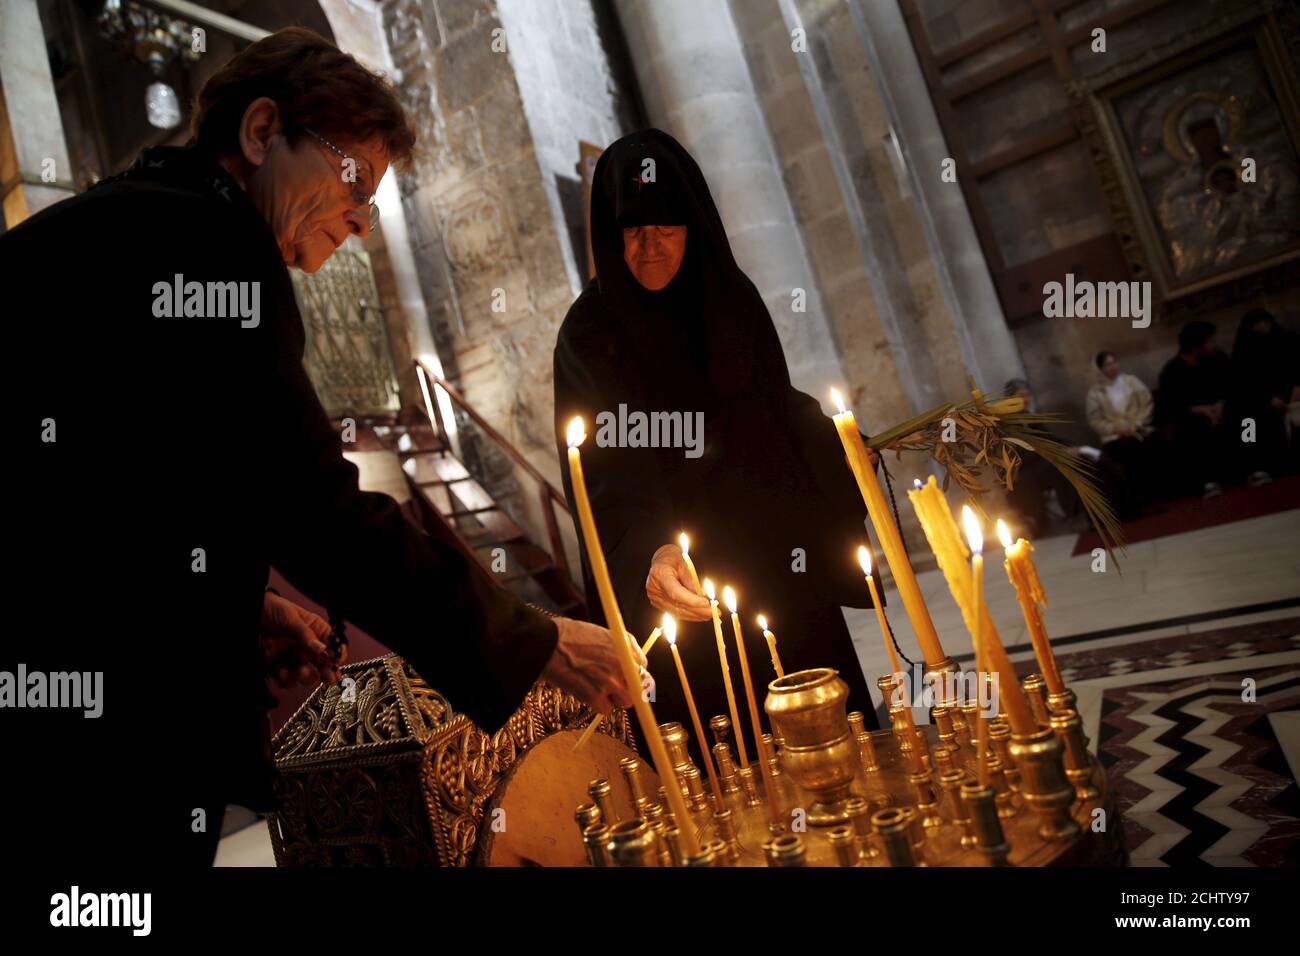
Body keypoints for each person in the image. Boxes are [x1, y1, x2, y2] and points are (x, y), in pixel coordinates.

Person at [1, 28, 636, 868]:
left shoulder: (128, 226)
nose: (363, 225)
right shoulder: (213, 252)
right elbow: (316, 509)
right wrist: (532, 638)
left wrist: (239, 601)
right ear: (263, 132)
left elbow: (127, 486)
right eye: (355, 183)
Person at [553, 128, 885, 767]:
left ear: (694, 223)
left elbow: (775, 405)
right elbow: (600, 473)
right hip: (687, 591)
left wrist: (839, 443)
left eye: (666, 226)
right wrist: (651, 548)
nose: (650, 247)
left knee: (828, 744)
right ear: (608, 233)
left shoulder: (732, 300)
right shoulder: (588, 334)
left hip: (781, 569)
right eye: (631, 230)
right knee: (730, 767)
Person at [1157, 320, 1235, 496]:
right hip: (1191, 417)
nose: (1213, 345)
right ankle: (1208, 479)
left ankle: (1254, 466)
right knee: (1195, 427)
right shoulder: (1172, 371)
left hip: (1223, 408)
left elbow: (1233, 386)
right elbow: (1169, 406)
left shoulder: (1218, 359)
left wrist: (1220, 405)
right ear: (1196, 346)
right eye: (1209, 342)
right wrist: (1200, 410)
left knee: (1248, 420)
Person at [1228, 308, 1300, 484]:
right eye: (1258, 323)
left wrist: (1297, 388)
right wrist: (1268, 398)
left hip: (1292, 395)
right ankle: (1257, 466)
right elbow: (1244, 383)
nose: (1263, 326)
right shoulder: (1245, 350)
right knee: (1247, 419)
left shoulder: (1288, 340)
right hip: (1260, 400)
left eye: (1265, 321)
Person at [1085, 351, 1155, 509]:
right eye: (1107, 365)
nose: (1112, 367)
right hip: (1114, 436)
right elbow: (1095, 420)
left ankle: (1150, 495)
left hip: (1139, 429)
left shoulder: (1132, 382)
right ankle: (1136, 500)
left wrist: (1136, 425)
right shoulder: (1095, 393)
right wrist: (1116, 429)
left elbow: (1146, 404)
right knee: (1125, 450)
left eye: (1114, 362)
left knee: (1144, 445)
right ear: (1100, 369)